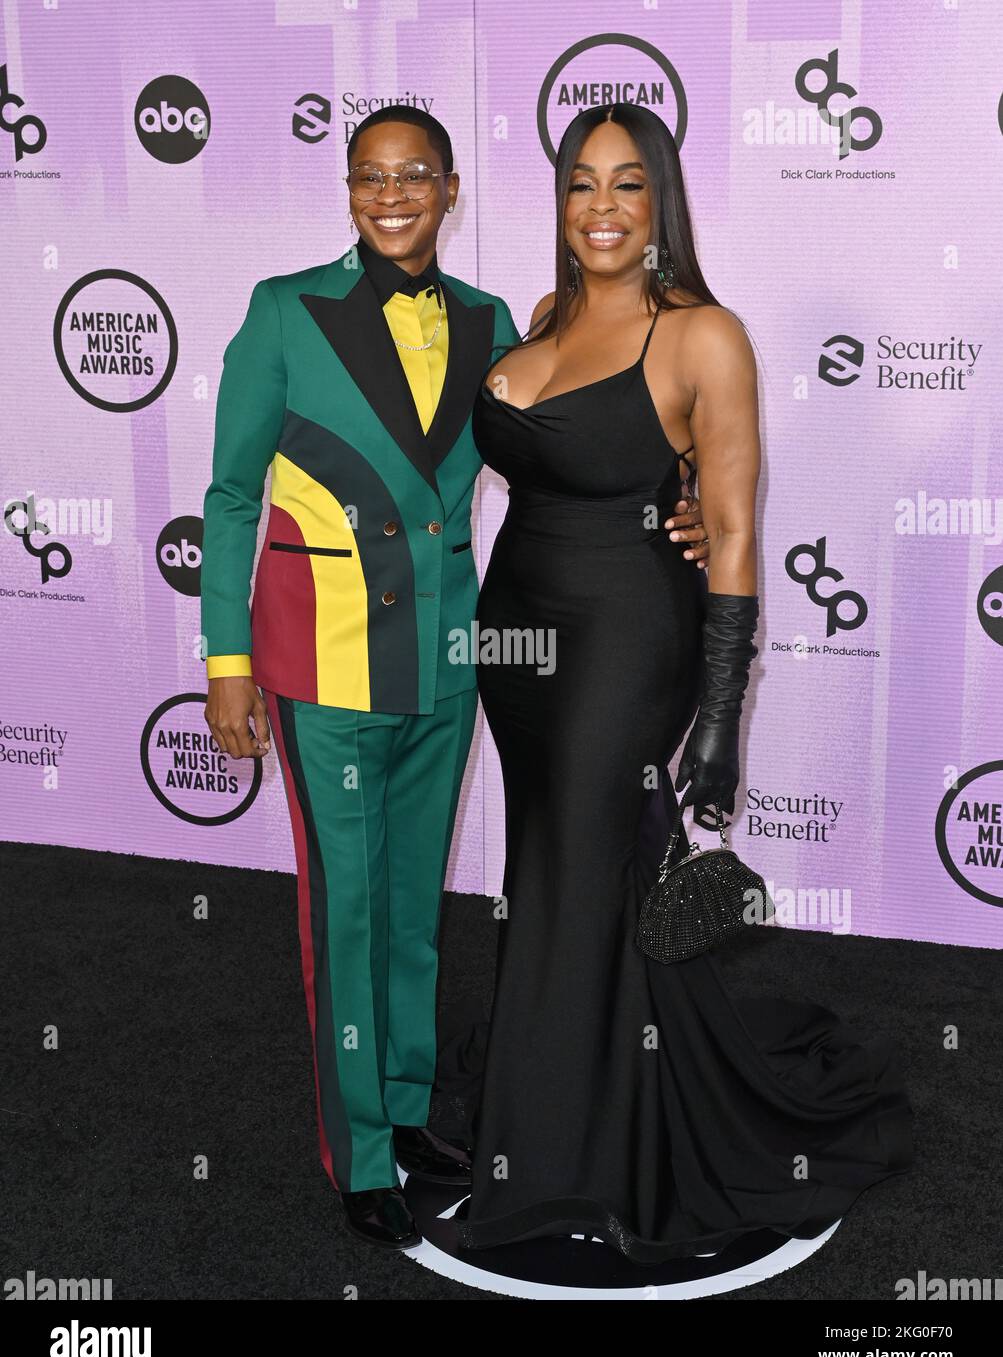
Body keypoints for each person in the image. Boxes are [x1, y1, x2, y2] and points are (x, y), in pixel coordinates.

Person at [199, 104, 713, 1251]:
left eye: (414, 174)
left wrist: (679, 501)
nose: (392, 194)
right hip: (322, 663)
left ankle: (412, 1110)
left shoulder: (490, 322)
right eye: (370, 176)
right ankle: (359, 1155)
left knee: (414, 908)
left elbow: (566, 442)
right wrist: (226, 661)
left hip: (451, 659)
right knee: (346, 909)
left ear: (448, 188)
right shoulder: (282, 311)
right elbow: (233, 497)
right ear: (347, 187)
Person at [453, 103, 914, 1263]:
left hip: (628, 639)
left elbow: (736, 539)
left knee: (579, 864)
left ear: (661, 201)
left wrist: (718, 722)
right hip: (516, 638)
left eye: (626, 185)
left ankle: (580, 1154)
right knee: (556, 868)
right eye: (579, 185)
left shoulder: (704, 335)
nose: (600, 208)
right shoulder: (548, 314)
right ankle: (558, 1104)